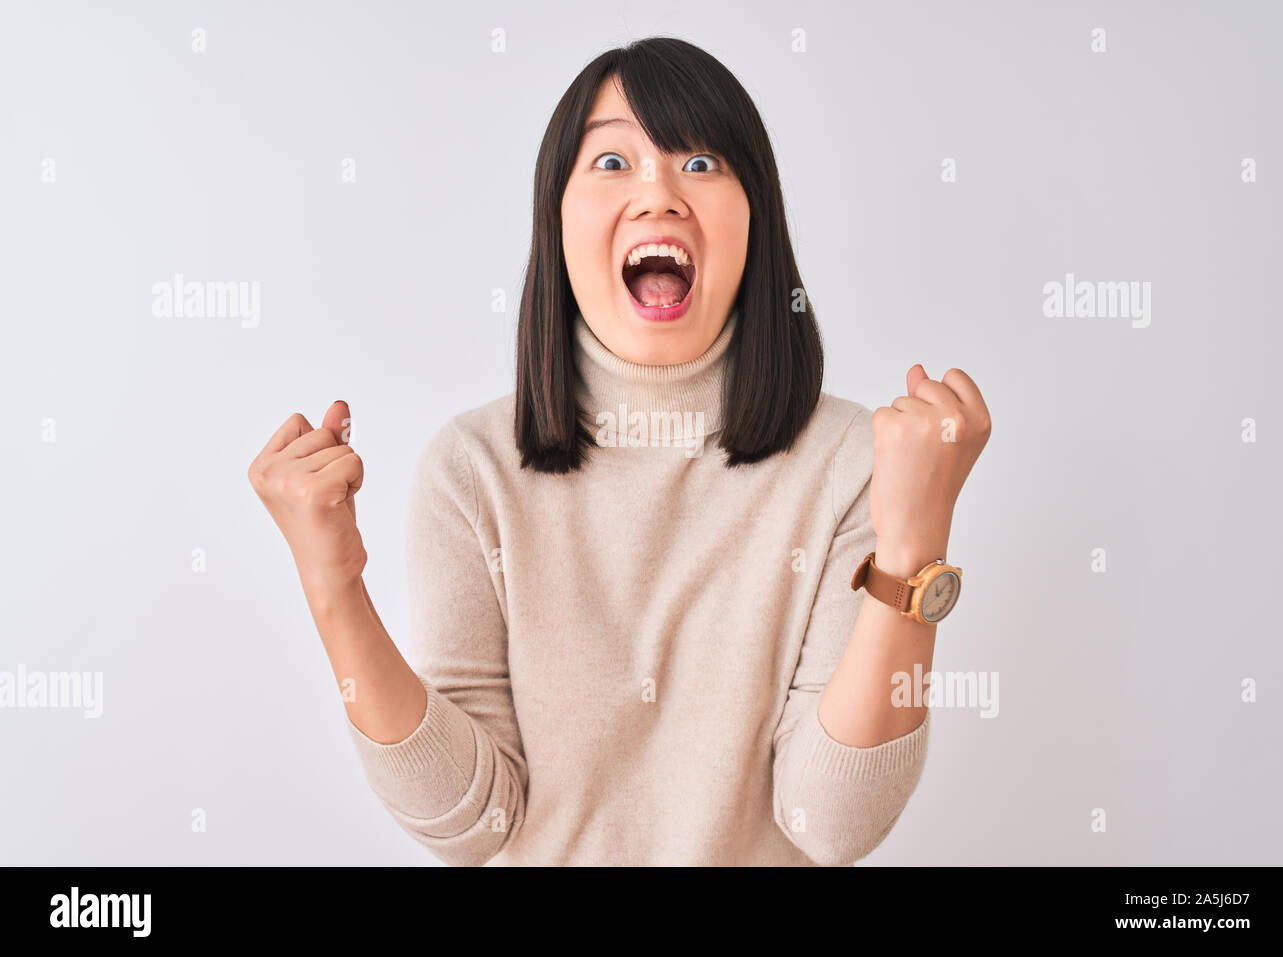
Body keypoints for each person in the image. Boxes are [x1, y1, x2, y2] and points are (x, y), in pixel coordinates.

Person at [247, 36, 991, 866]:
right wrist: (333, 582)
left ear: (757, 218)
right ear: (557, 221)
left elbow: (831, 824)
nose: (659, 195)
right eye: (611, 162)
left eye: (701, 162)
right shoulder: (471, 470)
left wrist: (915, 553)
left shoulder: (851, 460)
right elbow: (471, 826)